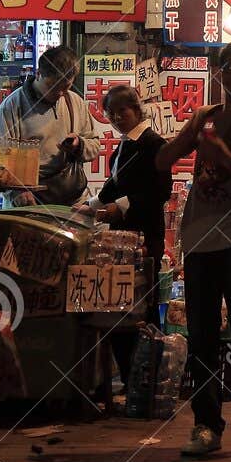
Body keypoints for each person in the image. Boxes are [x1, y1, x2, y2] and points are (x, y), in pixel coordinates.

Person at [155, 38, 231, 460]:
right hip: (198, 241)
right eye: (226, 68)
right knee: (202, 338)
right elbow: (162, 161)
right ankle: (206, 425)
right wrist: (186, 139)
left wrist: (225, 157)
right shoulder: (204, 117)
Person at [92, 85, 171, 389]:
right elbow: (112, 187)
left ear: (137, 110)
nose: (116, 118)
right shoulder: (124, 145)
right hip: (121, 240)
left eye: (122, 111)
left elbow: (159, 192)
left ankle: (148, 379)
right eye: (111, 113)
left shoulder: (153, 144)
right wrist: (91, 206)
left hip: (145, 237)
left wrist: (121, 206)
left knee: (143, 306)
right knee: (122, 306)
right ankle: (130, 377)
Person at [0, 44, 98, 204]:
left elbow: (94, 145)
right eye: (52, 86)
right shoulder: (11, 107)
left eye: (66, 87)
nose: (59, 93)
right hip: (28, 200)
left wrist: (79, 145)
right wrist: (16, 191)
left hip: (71, 196)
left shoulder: (75, 102)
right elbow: (0, 160)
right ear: (38, 74)